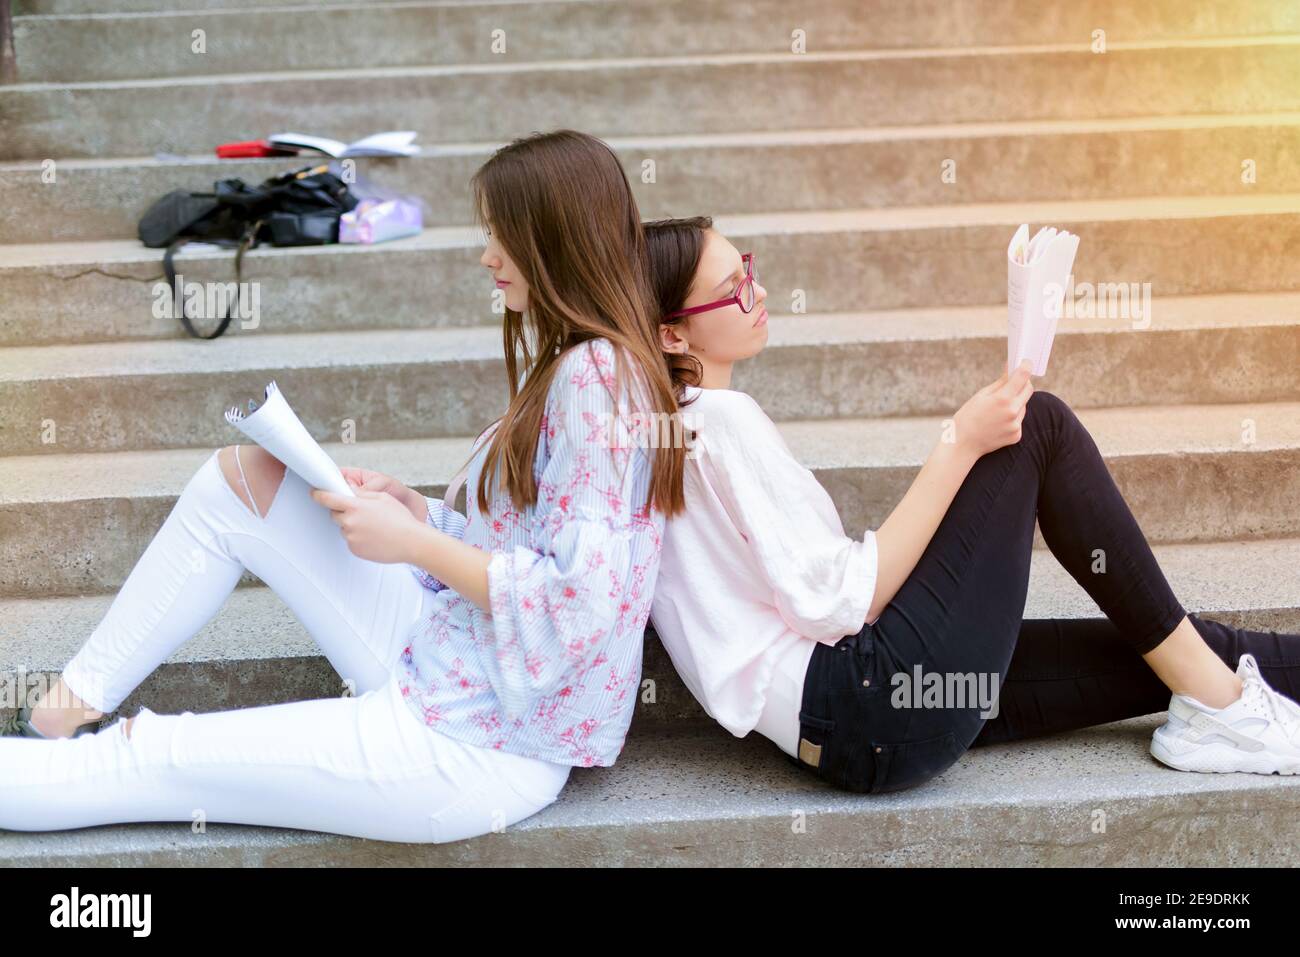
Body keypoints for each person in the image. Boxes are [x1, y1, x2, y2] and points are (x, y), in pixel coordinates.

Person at [0, 130, 686, 842]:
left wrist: (414, 543)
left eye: (502, 234)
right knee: (241, 480)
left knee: (147, 754)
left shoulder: (597, 377)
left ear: (554, 238)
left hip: (480, 744)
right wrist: (418, 512)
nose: (487, 254)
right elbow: (535, 547)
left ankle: (45, 759)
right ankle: (59, 710)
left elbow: (580, 600)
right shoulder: (580, 365)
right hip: (454, 657)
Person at [642, 214, 1300, 793]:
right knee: (1039, 425)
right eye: (731, 288)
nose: (754, 292)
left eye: (746, 269)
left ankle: (1219, 697)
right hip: (865, 703)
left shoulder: (674, 428)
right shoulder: (717, 422)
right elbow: (843, 598)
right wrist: (959, 442)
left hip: (868, 712)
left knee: (1175, 650)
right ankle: (1224, 706)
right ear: (673, 335)